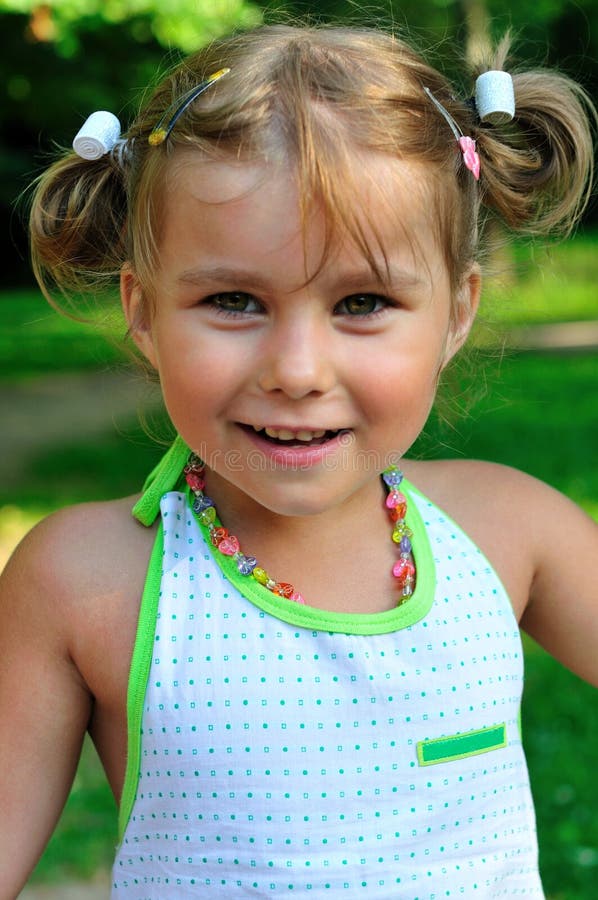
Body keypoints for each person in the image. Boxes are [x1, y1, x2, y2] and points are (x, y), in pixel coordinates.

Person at [1, 20, 597, 900]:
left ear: (457, 313)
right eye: (234, 300)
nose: (297, 370)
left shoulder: (513, 533)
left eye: (362, 302)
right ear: (144, 311)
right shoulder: (84, 583)